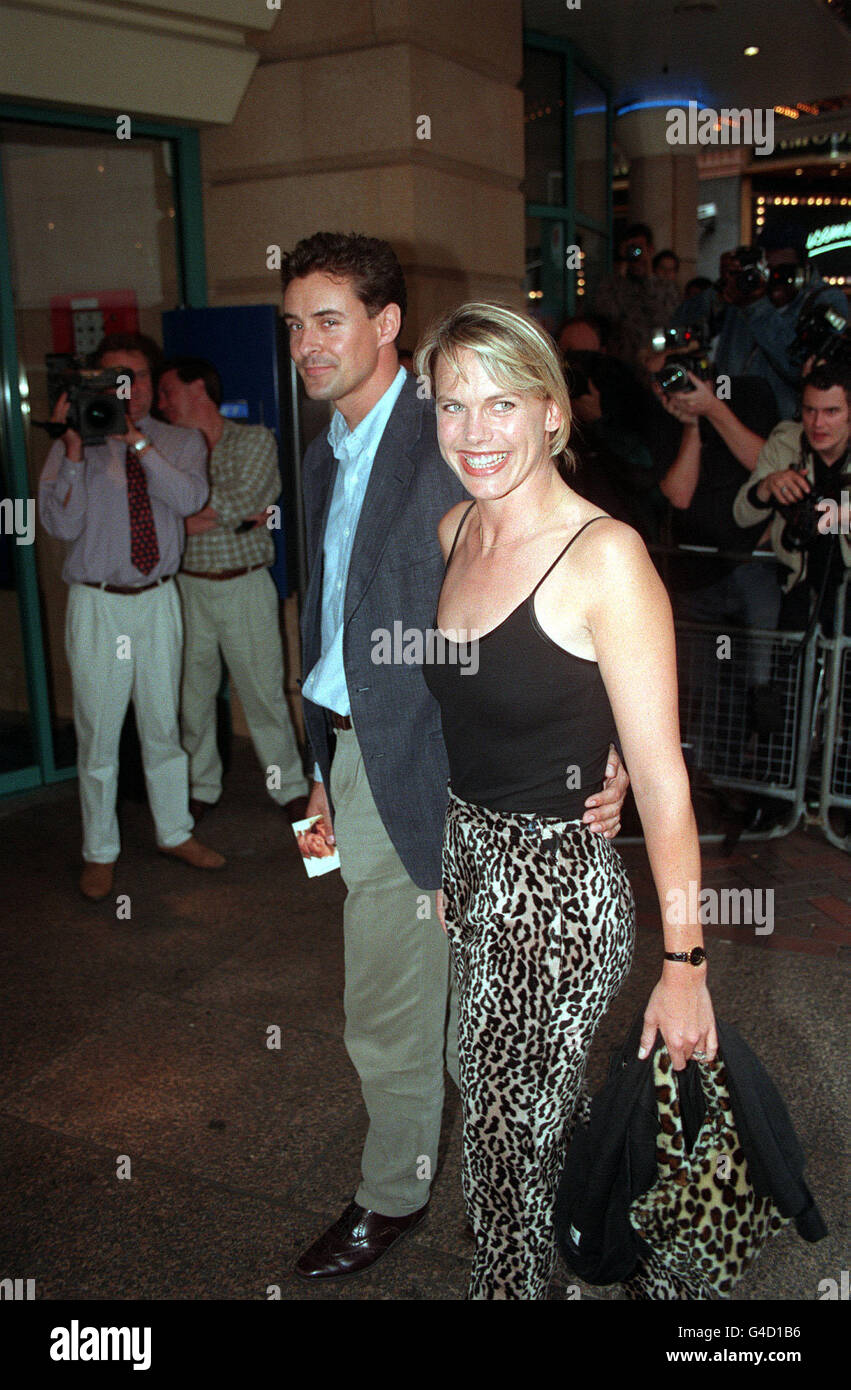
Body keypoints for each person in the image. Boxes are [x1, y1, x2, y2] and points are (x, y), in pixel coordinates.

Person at [281, 232, 629, 1281]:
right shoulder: (319, 452)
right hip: (351, 749)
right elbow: (331, 620)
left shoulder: (444, 437)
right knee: (462, 1013)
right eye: (293, 324)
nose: (305, 343)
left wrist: (600, 740)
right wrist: (315, 757)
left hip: (441, 772)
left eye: (328, 318)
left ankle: (397, 1193)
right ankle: (505, 1183)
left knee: (391, 1001)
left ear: (387, 325)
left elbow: (555, 588)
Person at [414, 302, 717, 1300]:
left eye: (502, 402)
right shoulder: (454, 527)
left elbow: (663, 782)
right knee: (507, 1103)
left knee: (503, 1132)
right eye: (453, 405)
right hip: (473, 870)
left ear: (551, 411)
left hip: (554, 895)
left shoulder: (604, 557)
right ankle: (596, 1246)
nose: (474, 431)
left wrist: (683, 967)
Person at [38, 332, 225, 901]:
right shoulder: (73, 445)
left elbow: (190, 498)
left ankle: (174, 831)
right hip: (97, 603)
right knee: (98, 733)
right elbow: (59, 527)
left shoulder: (181, 440)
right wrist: (72, 448)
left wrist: (136, 442)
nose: (126, 389)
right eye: (111, 379)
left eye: (136, 378)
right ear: (90, 385)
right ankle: (100, 852)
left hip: (158, 599)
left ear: (149, 383)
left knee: (163, 725)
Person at [156, 357, 308, 822]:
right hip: (186, 589)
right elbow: (213, 509)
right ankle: (202, 786)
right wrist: (223, 517)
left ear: (197, 388)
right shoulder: (171, 449)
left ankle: (290, 792)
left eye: (166, 391)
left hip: (243, 586)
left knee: (263, 696)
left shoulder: (253, 439)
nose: (160, 403)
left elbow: (246, 501)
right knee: (192, 698)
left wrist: (179, 520)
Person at [674, 232, 848, 420]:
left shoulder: (824, 299)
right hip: (729, 409)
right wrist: (722, 286)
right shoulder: (745, 290)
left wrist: (757, 306)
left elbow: (799, 368)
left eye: (783, 271)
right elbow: (681, 324)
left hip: (781, 424)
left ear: (803, 269)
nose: (775, 278)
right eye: (768, 270)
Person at [733, 360, 851, 632]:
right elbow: (741, 515)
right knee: (789, 669)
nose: (818, 423)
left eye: (831, 411)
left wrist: (844, 515)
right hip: (800, 586)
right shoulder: (785, 441)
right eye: (810, 410)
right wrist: (767, 487)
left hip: (846, 589)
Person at [592, 223, 680, 364]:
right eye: (630, 249)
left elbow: (666, 319)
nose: (635, 253)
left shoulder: (665, 287)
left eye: (639, 248)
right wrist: (621, 273)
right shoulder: (611, 284)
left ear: (650, 249)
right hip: (621, 361)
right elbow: (607, 315)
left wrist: (649, 273)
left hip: (655, 360)